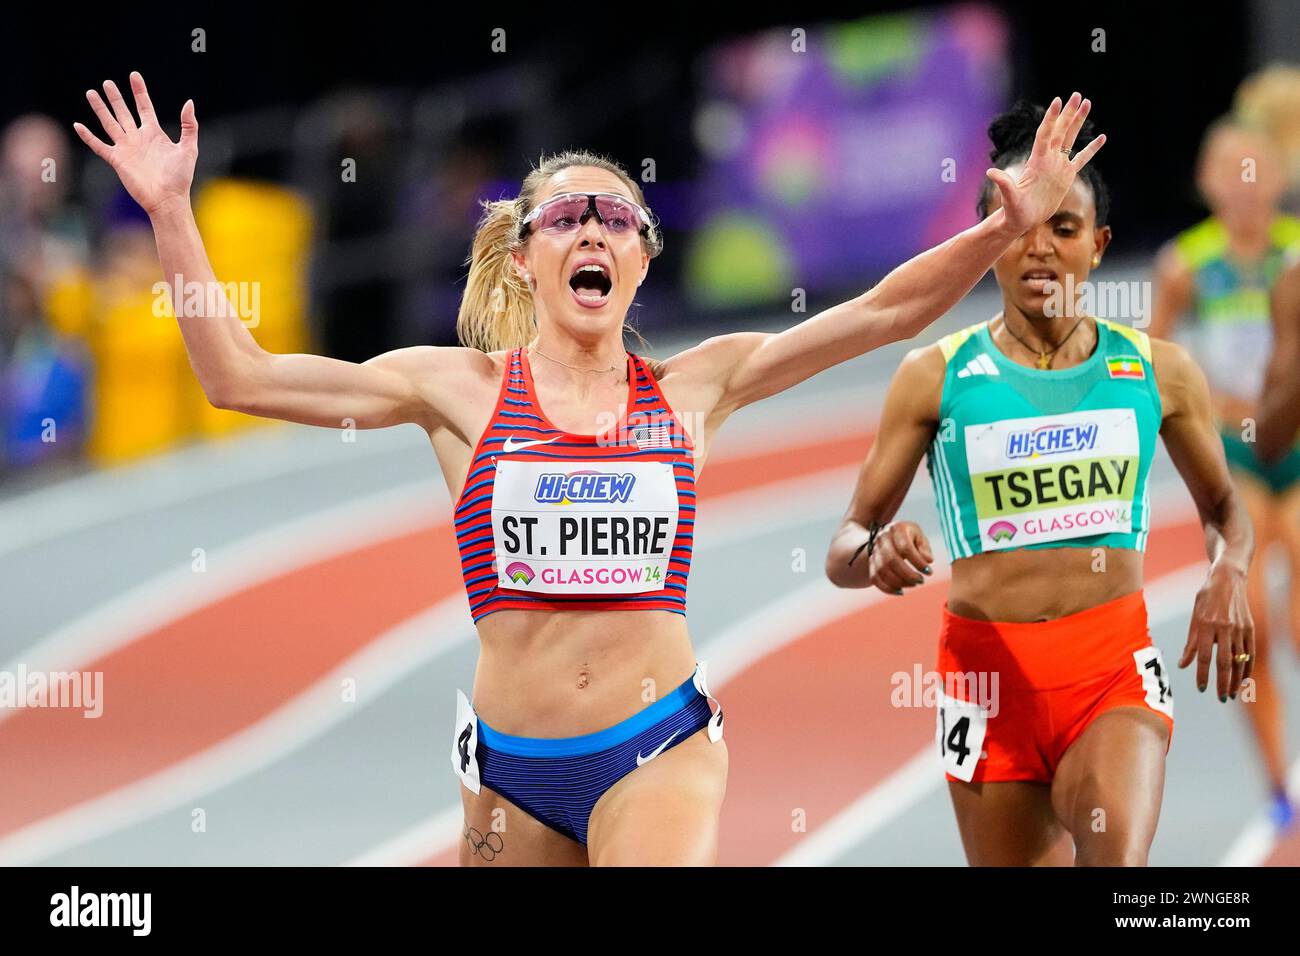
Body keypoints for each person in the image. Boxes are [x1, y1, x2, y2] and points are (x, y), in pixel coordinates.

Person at [76, 73, 1103, 866]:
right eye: (567, 216)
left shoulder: (699, 386)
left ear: (644, 258)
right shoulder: (456, 389)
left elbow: (882, 310)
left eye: (616, 218)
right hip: (508, 774)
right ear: (522, 256)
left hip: (654, 747)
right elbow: (236, 376)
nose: (593, 230)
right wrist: (172, 211)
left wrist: (998, 229)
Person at [826, 101, 1254, 865]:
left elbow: (1224, 507)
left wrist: (1229, 568)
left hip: (1111, 673)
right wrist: (876, 552)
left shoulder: (1158, 370)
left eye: (1063, 226)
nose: (1040, 249)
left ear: (1099, 244)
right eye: (1018, 226)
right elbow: (845, 545)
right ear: (986, 244)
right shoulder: (935, 376)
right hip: (987, 684)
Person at [1149, 118, 1300, 827]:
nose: (1244, 191)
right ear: (1208, 185)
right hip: (1232, 456)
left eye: (1256, 173)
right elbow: (1148, 361)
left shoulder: (1297, 258)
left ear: (1277, 180)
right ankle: (1277, 783)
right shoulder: (1186, 265)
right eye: (1228, 175)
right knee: (1254, 628)